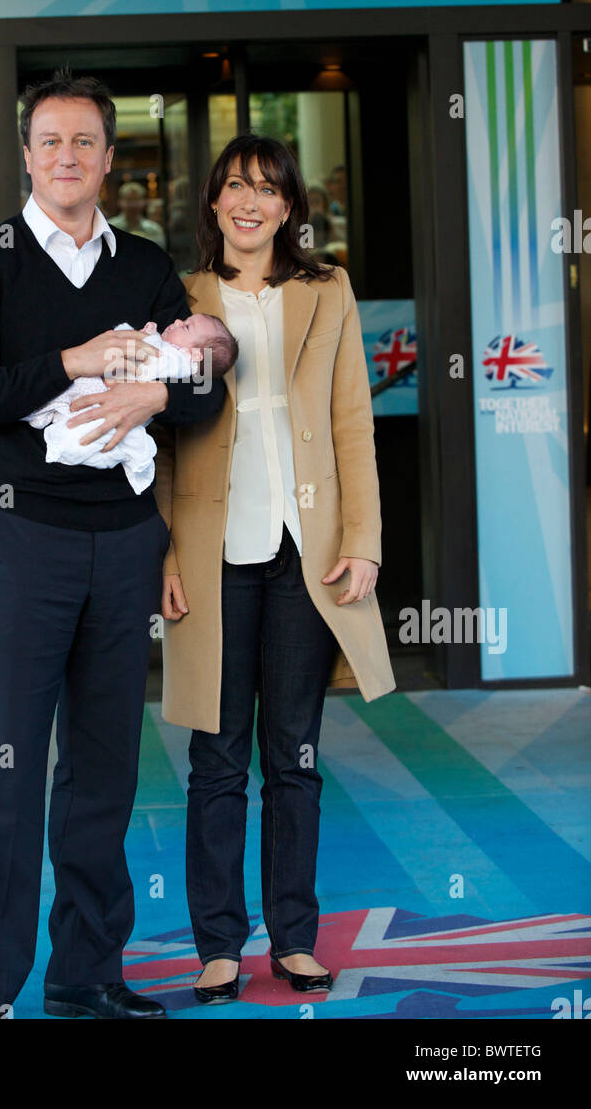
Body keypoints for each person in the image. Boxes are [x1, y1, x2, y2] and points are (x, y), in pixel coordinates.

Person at [0, 68, 226, 1021]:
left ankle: (87, 973)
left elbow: (205, 384)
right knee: (3, 771)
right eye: (50, 141)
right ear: (27, 155)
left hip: (124, 544)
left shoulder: (142, 264)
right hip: (21, 540)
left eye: (84, 142)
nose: (67, 157)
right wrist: (78, 359)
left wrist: (152, 391)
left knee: (103, 770)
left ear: (107, 157)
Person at [153, 133, 396, 1005]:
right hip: (212, 559)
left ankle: (293, 940)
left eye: (267, 188)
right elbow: (161, 442)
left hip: (306, 556)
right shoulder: (176, 298)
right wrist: (165, 557)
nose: (249, 202)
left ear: (289, 205)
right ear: (212, 201)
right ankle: (218, 948)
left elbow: (352, 423)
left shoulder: (325, 291)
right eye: (233, 187)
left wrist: (361, 538)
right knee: (216, 761)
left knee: (293, 758)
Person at [24, 314, 237, 493]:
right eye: (184, 320)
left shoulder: (179, 361)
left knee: (87, 427)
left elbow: (148, 358)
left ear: (196, 354)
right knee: (72, 405)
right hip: (104, 388)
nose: (179, 321)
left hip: (111, 399)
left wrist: (142, 337)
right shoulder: (172, 354)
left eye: (187, 326)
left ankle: (59, 437)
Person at [109, 180, 167, 248]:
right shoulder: (110, 228)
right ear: (120, 202)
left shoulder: (154, 229)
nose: (133, 205)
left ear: (144, 201)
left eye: (137, 200)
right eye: (129, 200)